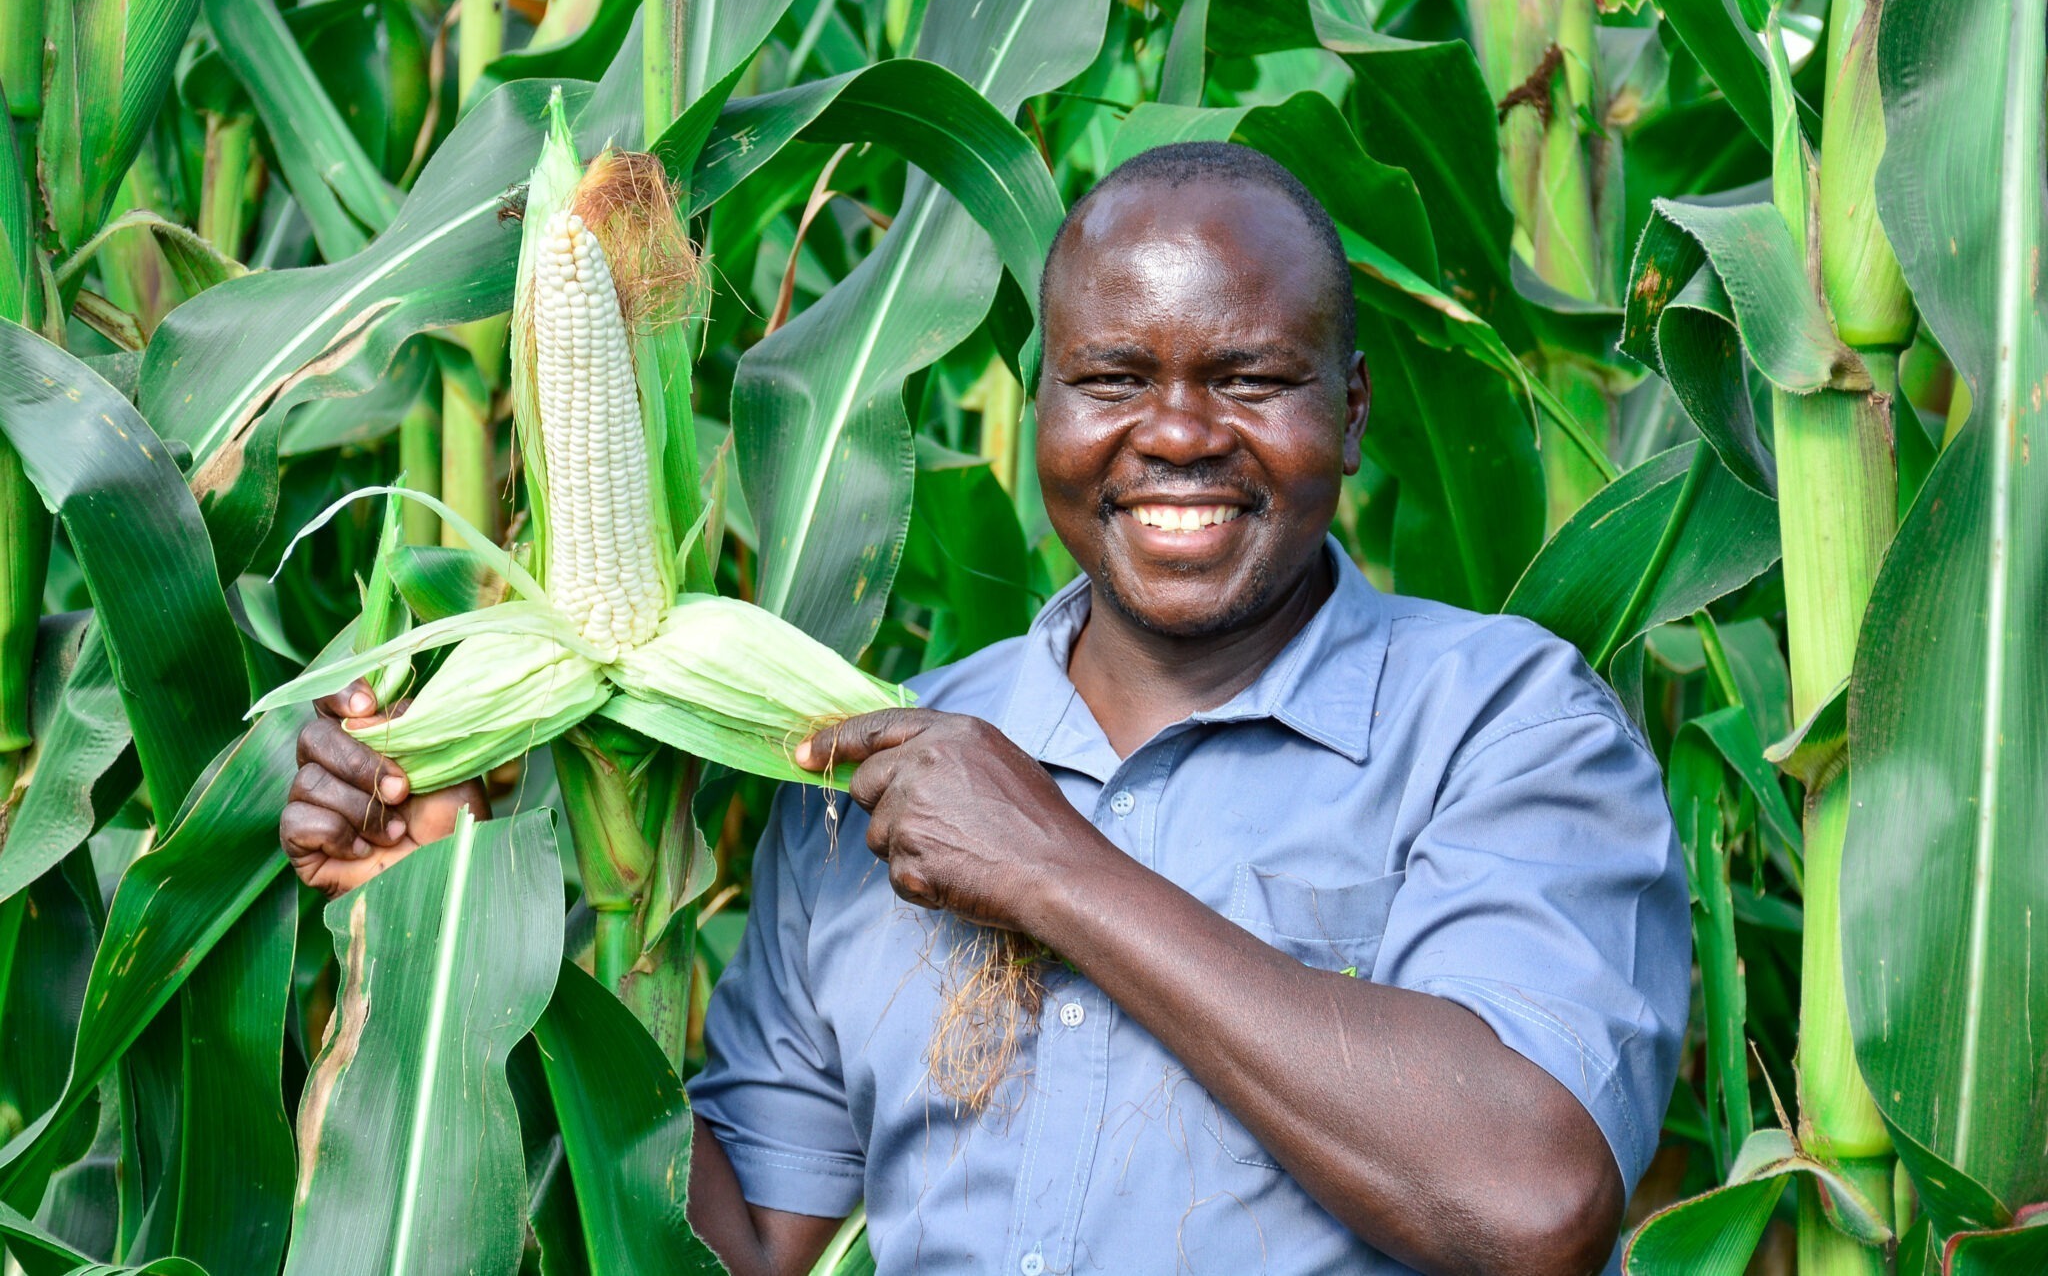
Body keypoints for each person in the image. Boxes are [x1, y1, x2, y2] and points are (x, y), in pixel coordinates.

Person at [283, 142, 1689, 1276]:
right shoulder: (864, 777)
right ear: (1045, 414)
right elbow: (744, 1244)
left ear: (1356, 411)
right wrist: (449, 947)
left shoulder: (1504, 724)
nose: (1182, 433)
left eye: (1251, 378)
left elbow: (1530, 1200)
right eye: (1113, 380)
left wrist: (1052, 868)